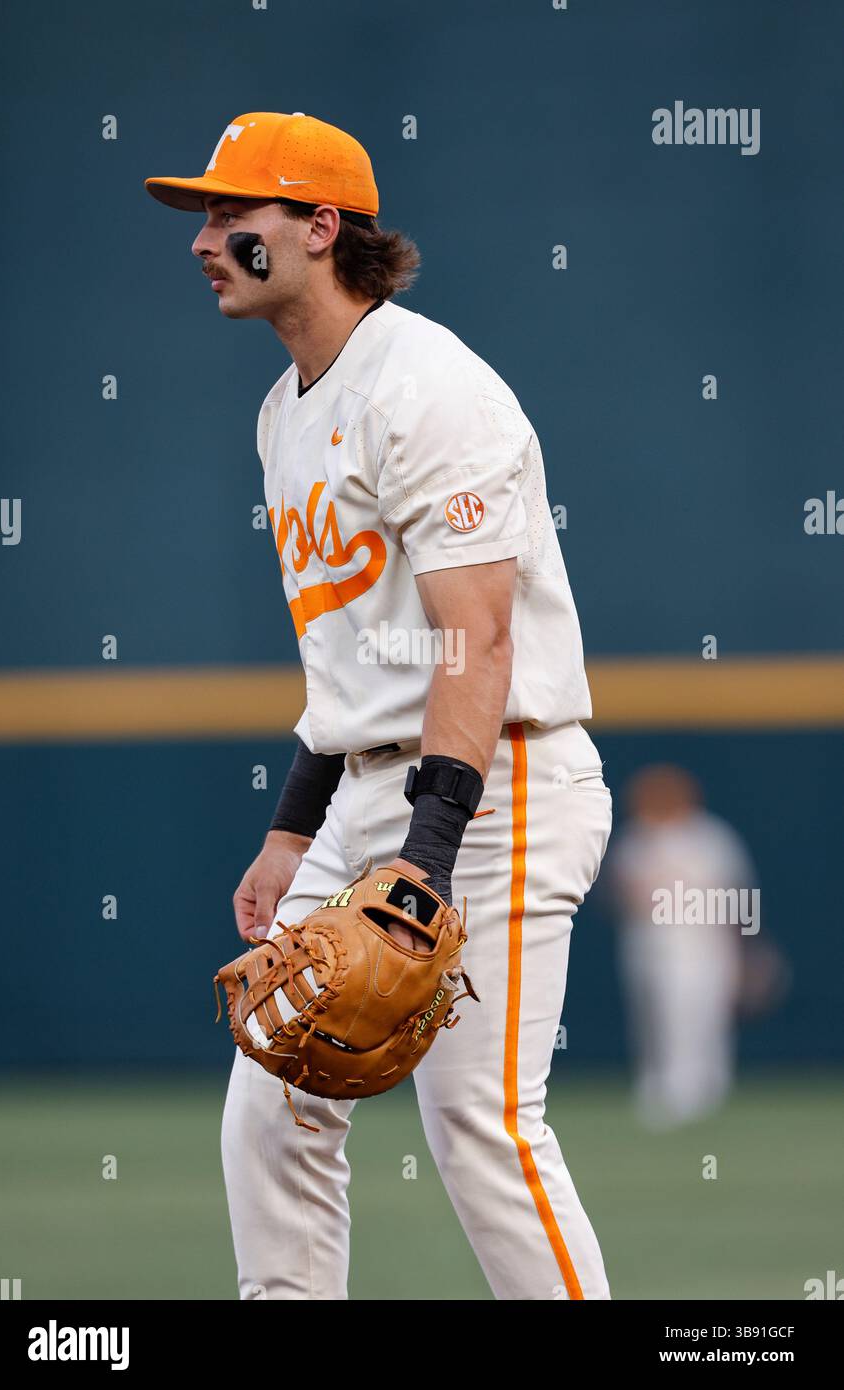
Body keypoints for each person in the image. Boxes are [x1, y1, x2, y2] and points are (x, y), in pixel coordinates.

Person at [145, 110, 613, 1300]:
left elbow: (479, 637)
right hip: (363, 788)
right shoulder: (284, 410)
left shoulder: (428, 384)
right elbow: (345, 666)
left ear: (318, 227)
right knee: (270, 1108)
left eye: (228, 216)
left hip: (493, 787)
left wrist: (423, 857)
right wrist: (293, 832)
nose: (203, 240)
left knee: (481, 1129)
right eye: (202, 215)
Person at [606, 765, 760, 1129]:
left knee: (700, 1016)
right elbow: (620, 893)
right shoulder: (637, 841)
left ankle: (701, 1089)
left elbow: (737, 898)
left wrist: (748, 951)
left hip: (703, 941)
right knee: (654, 1016)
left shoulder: (710, 838)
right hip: (649, 941)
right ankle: (660, 1088)